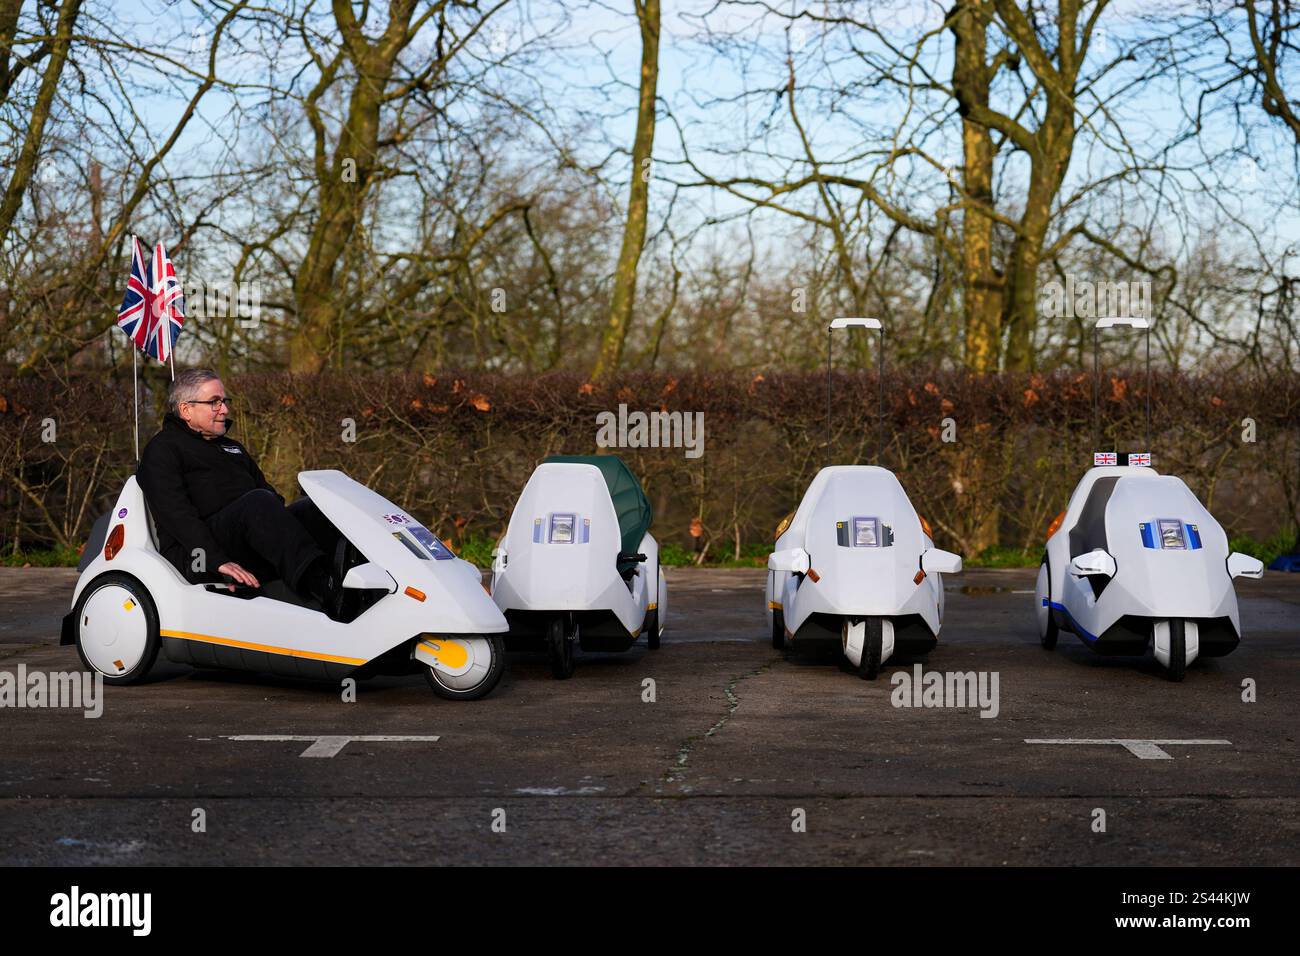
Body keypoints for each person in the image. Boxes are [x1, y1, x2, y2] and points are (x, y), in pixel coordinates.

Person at [136, 367, 342, 615]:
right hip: (198, 553)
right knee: (257, 505)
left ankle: (350, 579)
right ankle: (326, 592)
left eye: (224, 401)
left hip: (248, 535)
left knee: (312, 508)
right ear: (186, 410)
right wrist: (216, 561)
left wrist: (285, 529)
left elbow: (269, 495)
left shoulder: (232, 447)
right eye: (214, 402)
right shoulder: (163, 450)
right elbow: (177, 516)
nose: (224, 409)